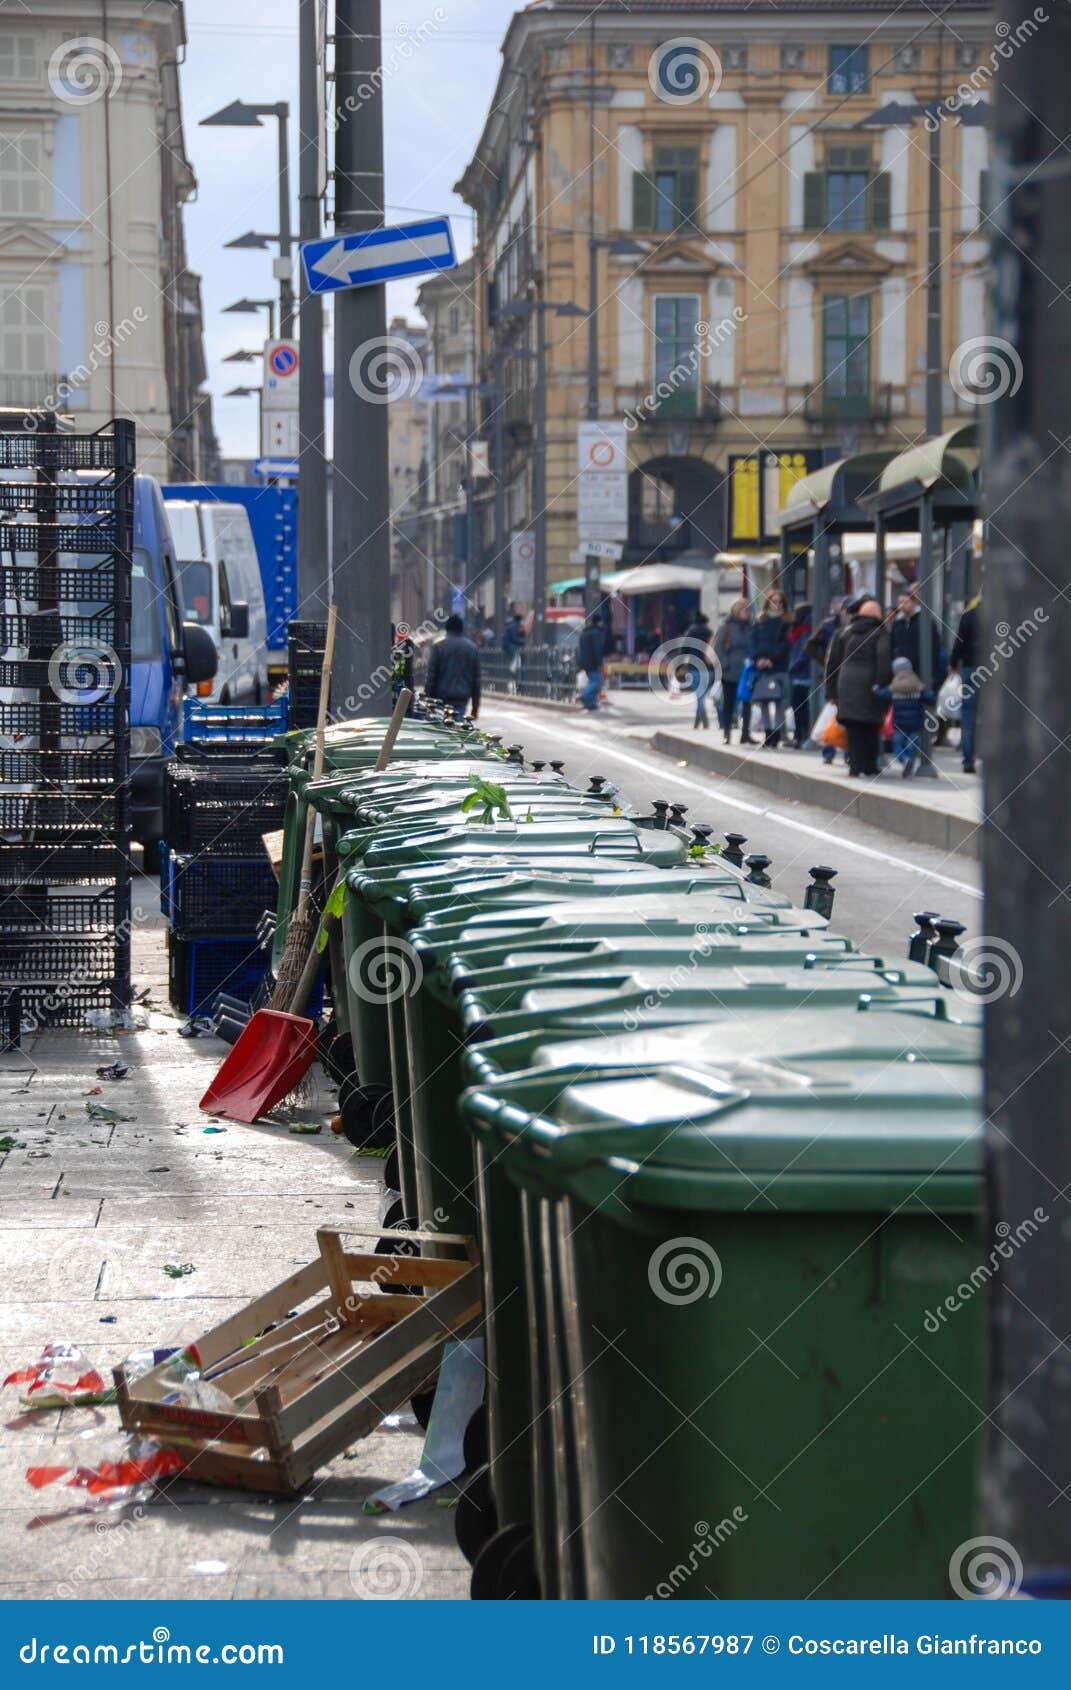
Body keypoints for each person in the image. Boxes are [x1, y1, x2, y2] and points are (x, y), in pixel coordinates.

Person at [824, 597, 892, 777]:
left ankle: (854, 766)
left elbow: (832, 663)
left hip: (846, 684)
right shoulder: (880, 633)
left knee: (853, 727)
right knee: (871, 725)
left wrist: (830, 691)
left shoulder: (844, 632)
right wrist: (882, 684)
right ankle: (870, 766)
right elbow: (884, 661)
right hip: (870, 684)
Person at [873, 654, 933, 779]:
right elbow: (929, 697)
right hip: (916, 722)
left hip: (899, 723)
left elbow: (882, 694)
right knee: (912, 745)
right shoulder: (917, 684)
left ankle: (903, 759)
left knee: (897, 744)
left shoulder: (895, 686)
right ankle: (910, 761)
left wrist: (875, 689)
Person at [807, 596, 850, 764]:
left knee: (847, 716)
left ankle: (847, 752)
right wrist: (824, 658)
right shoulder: (828, 625)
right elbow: (810, 646)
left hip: (849, 677)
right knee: (831, 714)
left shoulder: (852, 627)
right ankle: (828, 751)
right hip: (834, 675)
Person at [748, 586, 790, 748]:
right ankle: (768, 734)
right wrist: (758, 659)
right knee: (763, 701)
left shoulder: (786, 622)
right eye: (773, 602)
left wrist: (771, 659)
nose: (777, 605)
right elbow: (752, 642)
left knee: (780, 702)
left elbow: (785, 645)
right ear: (767, 603)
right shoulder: (759, 622)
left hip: (779, 667)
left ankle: (777, 734)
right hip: (762, 668)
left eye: (779, 602)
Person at [425, 613, 481, 719]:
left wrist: (428, 698)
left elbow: (431, 675)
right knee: (457, 725)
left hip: (440, 696)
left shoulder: (438, 647)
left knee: (441, 726)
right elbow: (476, 680)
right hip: (461, 697)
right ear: (461, 628)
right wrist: (475, 707)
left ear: (447, 628)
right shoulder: (472, 648)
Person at [714, 598, 752, 744]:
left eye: (747, 610)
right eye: (742, 610)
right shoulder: (726, 627)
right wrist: (725, 664)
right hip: (729, 671)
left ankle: (745, 734)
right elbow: (718, 647)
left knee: (747, 703)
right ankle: (727, 733)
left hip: (746, 671)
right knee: (729, 703)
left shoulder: (751, 627)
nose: (745, 613)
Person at [950, 595, 980, 773]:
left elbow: (958, 642)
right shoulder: (1000, 614)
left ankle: (968, 761)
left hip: (970, 669)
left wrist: (953, 663)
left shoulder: (968, 616)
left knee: (968, 716)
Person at [682, 608, 717, 729]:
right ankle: (698, 721)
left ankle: (704, 719)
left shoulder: (689, 633)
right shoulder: (710, 633)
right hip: (709, 668)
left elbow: (683, 651)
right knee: (701, 695)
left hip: (694, 668)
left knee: (699, 695)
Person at [787, 602, 813, 747]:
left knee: (798, 706)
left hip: (801, 674)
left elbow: (803, 653)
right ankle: (801, 734)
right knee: (801, 706)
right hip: (802, 673)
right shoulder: (802, 630)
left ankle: (800, 735)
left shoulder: (804, 631)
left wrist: (793, 666)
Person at [576, 613, 606, 712]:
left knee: (594, 681)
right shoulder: (596, 633)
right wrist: (599, 663)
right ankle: (585, 696)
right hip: (592, 662)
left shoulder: (585, 633)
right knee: (597, 681)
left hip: (584, 661)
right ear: (599, 622)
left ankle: (591, 703)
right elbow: (597, 650)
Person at [502, 605, 526, 692]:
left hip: (506, 646)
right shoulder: (514, 626)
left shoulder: (510, 625)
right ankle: (513, 672)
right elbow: (514, 638)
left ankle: (513, 673)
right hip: (511, 647)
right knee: (517, 660)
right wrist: (523, 641)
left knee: (514, 661)